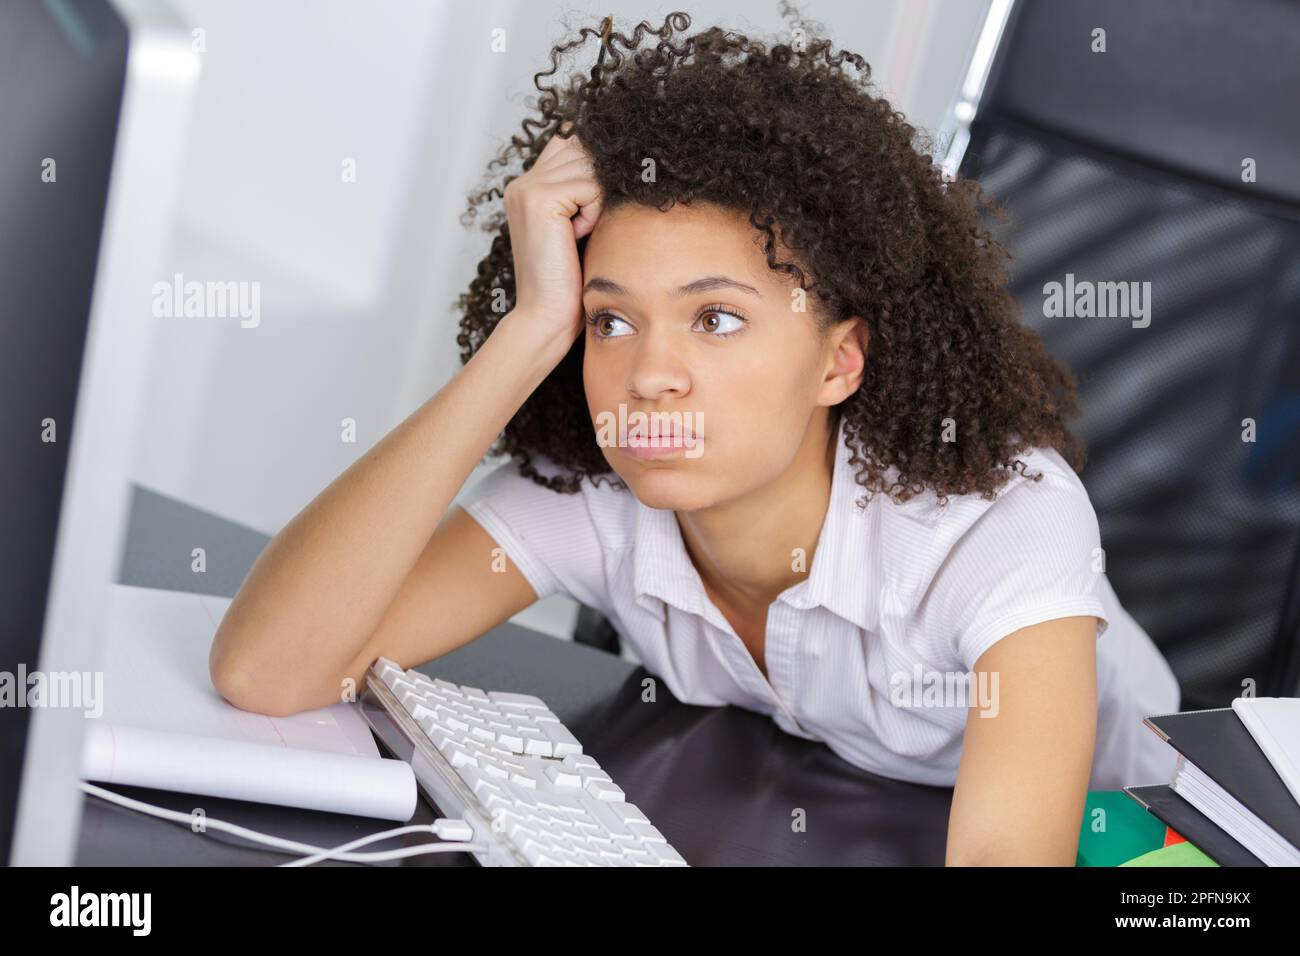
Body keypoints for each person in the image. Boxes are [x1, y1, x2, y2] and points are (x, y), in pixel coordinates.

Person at [209, 7, 1180, 865]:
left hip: (1154, 845)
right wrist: (527, 334)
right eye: (609, 320)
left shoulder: (998, 523)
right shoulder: (595, 501)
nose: (649, 372)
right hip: (835, 804)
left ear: (840, 361)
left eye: (714, 317)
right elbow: (272, 671)